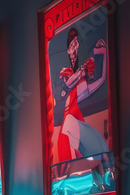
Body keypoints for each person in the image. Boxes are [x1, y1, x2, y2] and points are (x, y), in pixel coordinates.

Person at [55, 27, 109, 170]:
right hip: (69, 124)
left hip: (76, 121)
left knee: (96, 152)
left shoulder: (81, 85)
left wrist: (102, 52)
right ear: (68, 50)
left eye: (77, 43)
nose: (75, 46)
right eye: (72, 44)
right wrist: (82, 70)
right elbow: (67, 84)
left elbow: (102, 79)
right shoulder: (66, 73)